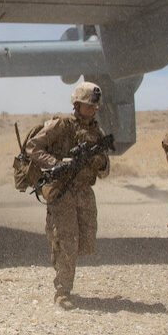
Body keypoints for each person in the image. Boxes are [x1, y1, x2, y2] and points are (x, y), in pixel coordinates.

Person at [26, 81, 110, 308]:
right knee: (68, 240)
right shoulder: (61, 126)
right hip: (62, 191)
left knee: (85, 242)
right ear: (77, 105)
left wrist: (98, 162)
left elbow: (105, 170)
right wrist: (56, 164)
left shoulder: (97, 133)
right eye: (87, 105)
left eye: (94, 106)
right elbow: (33, 147)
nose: (91, 109)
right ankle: (63, 291)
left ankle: (61, 264)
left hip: (84, 192)